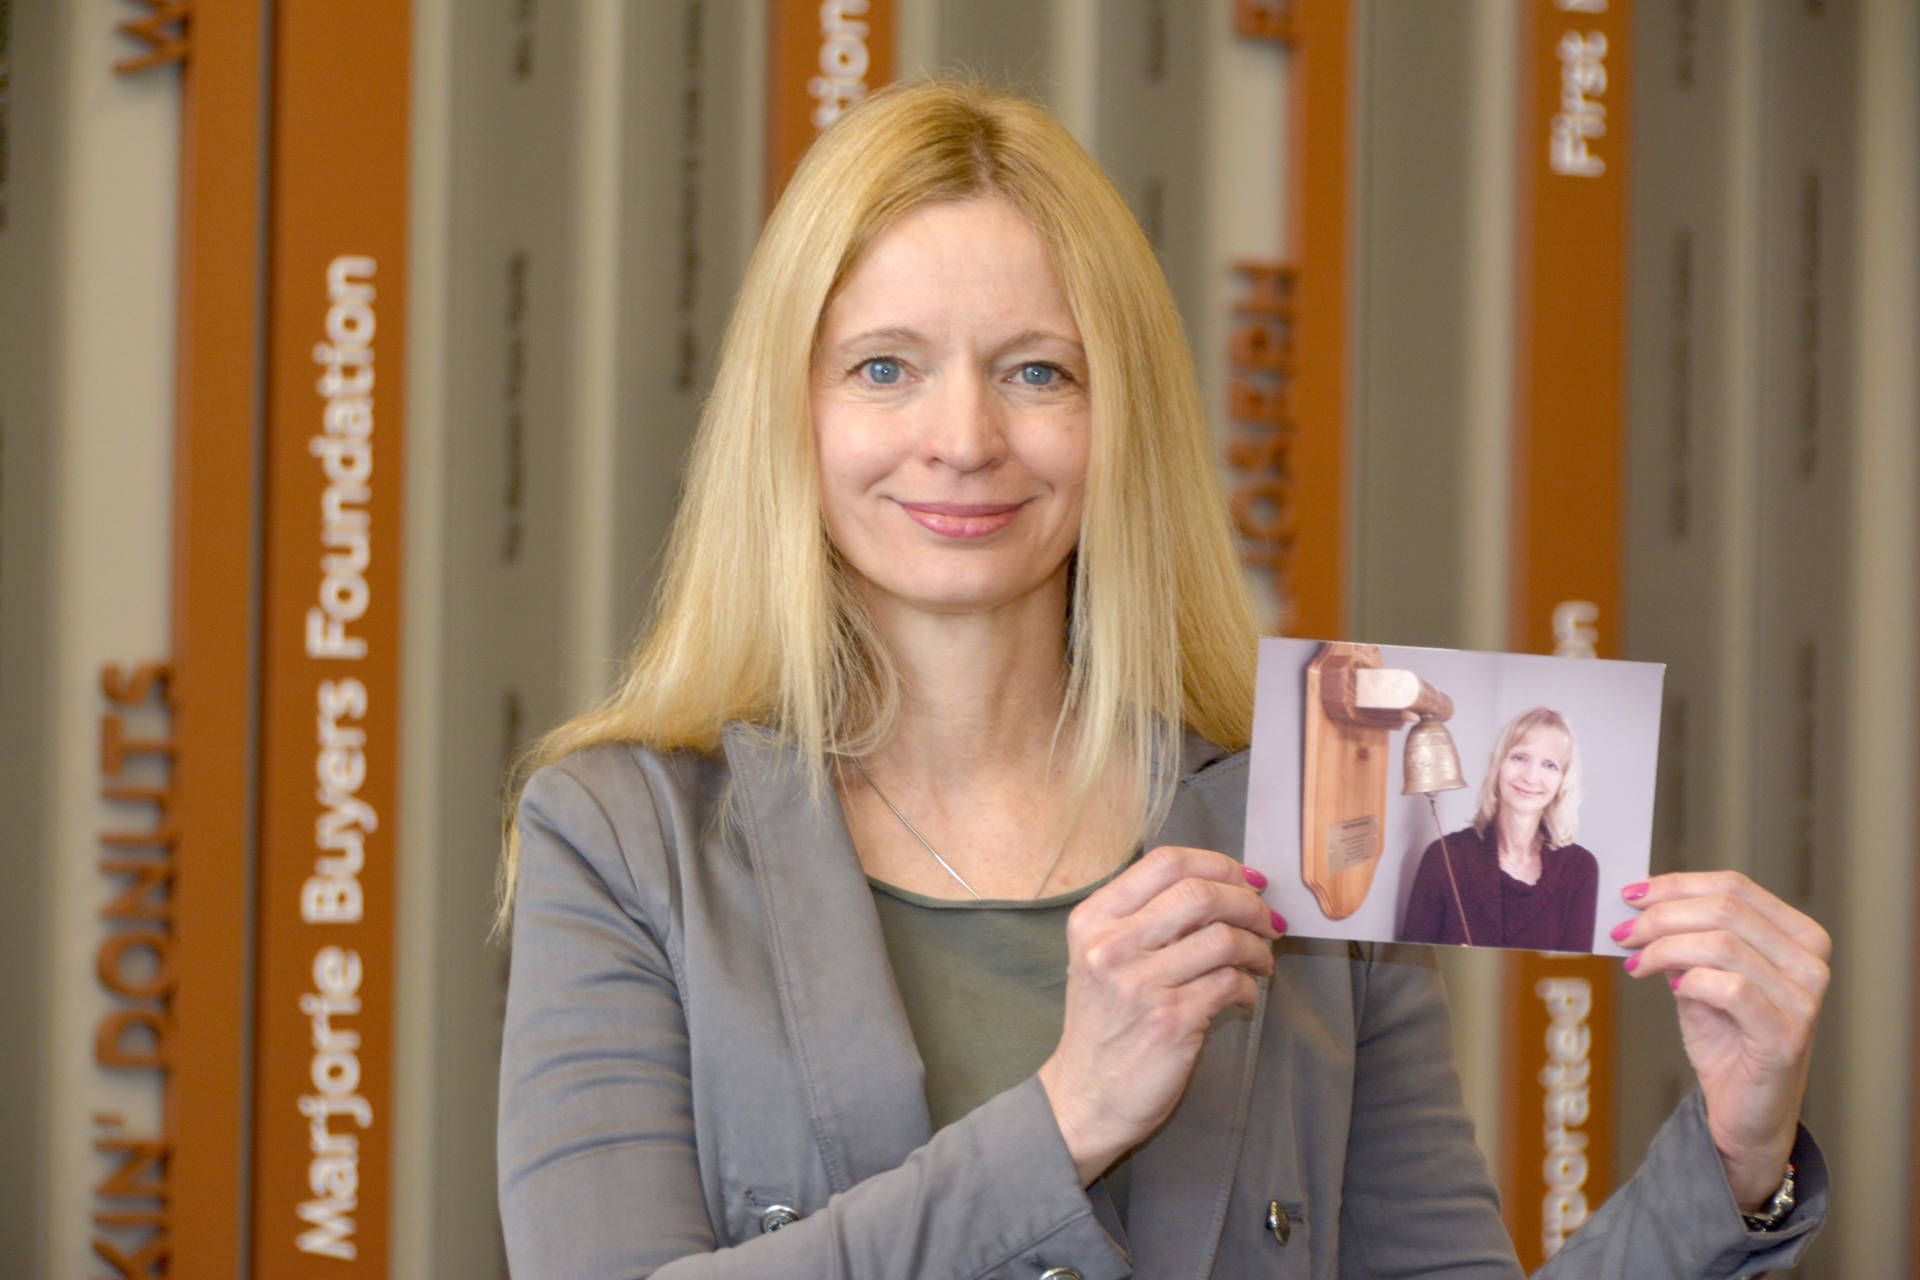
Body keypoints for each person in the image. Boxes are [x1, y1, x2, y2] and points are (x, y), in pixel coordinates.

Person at [496, 79, 1830, 1278]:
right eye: (884, 367)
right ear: (791, 410)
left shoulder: (1309, 827)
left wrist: (1732, 1157)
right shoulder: (624, 837)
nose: (962, 439)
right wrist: (1070, 1114)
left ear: (1119, 419)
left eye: (1037, 372)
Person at [1399, 707, 1599, 951]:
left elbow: (1574, 978)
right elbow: (1409, 965)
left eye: (1549, 765)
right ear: (1498, 764)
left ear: (1562, 781)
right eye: (1519, 757)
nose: (1531, 776)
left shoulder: (1580, 869)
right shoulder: (1443, 857)